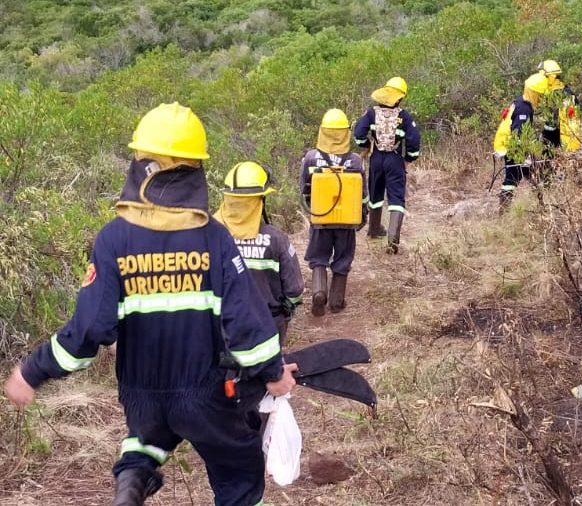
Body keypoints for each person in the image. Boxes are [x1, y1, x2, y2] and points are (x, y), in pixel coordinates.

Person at [3, 103, 297, 506]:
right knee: (239, 470)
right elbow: (246, 322)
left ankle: (132, 484)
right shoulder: (214, 238)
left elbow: (90, 330)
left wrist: (32, 371)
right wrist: (273, 372)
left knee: (145, 444)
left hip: (140, 392)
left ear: (141, 160)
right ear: (193, 167)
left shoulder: (113, 240)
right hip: (203, 391)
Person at [214, 161, 304, 344]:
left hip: (223, 324)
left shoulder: (209, 235)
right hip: (269, 322)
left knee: (227, 371)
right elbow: (294, 290)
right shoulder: (277, 239)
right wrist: (288, 310)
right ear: (260, 200)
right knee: (269, 371)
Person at [301, 109, 367, 316]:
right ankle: (337, 302)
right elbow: (363, 195)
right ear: (345, 133)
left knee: (318, 257)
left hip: (321, 219)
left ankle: (319, 292)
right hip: (347, 222)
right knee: (343, 258)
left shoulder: (311, 158)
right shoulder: (355, 161)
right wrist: (362, 217)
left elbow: (304, 189)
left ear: (323, 131)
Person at [353, 77, 421, 254]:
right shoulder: (404, 116)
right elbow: (414, 140)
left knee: (375, 194)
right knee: (396, 198)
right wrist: (408, 159)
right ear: (400, 98)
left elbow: (359, 133)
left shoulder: (371, 113)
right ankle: (392, 241)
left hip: (376, 159)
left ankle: (374, 231)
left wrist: (367, 146)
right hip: (395, 159)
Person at [492, 72, 550, 212]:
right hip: (512, 147)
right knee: (512, 178)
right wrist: (527, 154)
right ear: (535, 93)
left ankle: (541, 206)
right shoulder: (525, 108)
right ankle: (504, 211)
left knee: (531, 175)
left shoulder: (519, 102)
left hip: (509, 144)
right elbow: (519, 133)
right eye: (540, 95)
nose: (542, 98)